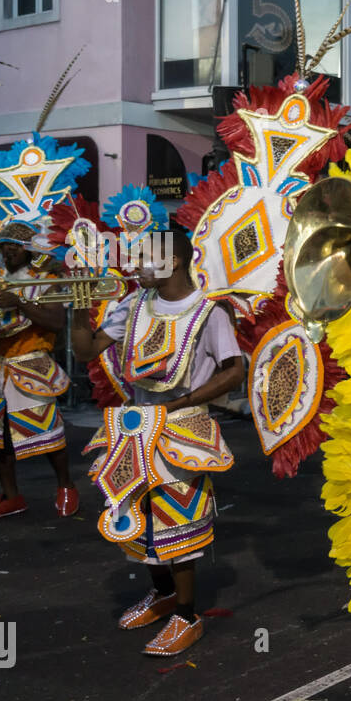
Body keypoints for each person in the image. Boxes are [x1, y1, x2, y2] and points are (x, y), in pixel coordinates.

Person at [71, 223, 244, 657]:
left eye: (147, 257)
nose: (136, 265)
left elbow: (234, 370)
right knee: (135, 514)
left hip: (183, 426)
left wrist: (182, 401)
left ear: (176, 260)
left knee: (176, 520)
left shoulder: (209, 312)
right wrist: (76, 307)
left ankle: (187, 615)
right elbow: (87, 350)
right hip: (135, 424)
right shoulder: (134, 304)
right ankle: (163, 593)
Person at [0, 219, 79, 521]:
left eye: (15, 246)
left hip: (31, 365)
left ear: (29, 249)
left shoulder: (47, 278)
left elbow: (56, 323)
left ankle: (66, 487)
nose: (8, 251)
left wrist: (18, 302)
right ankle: (11, 496)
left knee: (48, 435)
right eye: (4, 245)